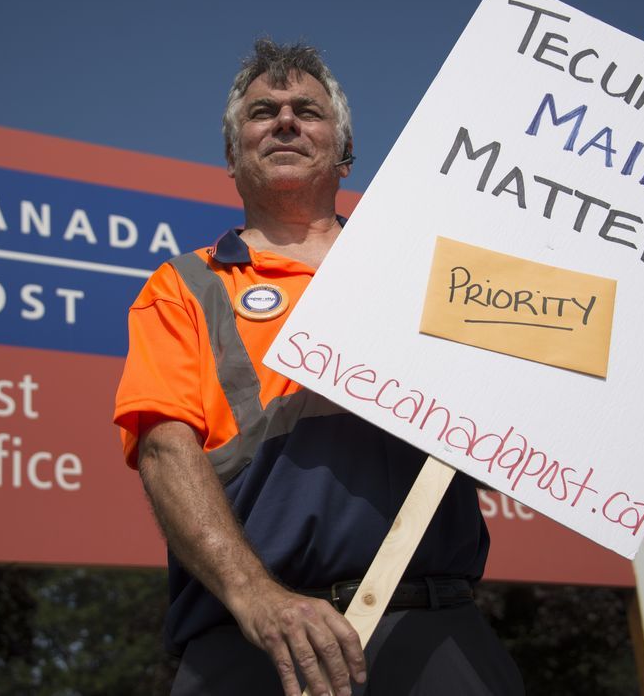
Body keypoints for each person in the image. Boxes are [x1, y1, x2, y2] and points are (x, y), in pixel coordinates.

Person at [113, 39, 524, 696]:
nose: (284, 121)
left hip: (438, 630)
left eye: (306, 110)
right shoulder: (185, 286)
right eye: (261, 112)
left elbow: (514, 427)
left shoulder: (426, 273)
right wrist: (258, 600)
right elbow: (166, 451)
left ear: (344, 148)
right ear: (231, 154)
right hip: (255, 643)